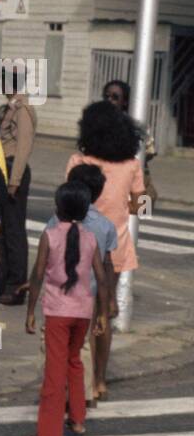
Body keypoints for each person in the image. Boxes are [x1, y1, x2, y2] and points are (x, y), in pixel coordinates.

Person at [66, 101, 145, 401]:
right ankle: (100, 379)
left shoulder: (78, 161)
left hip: (82, 244)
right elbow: (140, 206)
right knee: (104, 315)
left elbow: (68, 201)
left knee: (80, 315)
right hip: (117, 247)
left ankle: (79, 377)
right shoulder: (130, 165)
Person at [23, 183, 108, 436]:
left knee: (54, 371)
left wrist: (30, 310)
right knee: (74, 362)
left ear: (57, 208)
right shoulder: (91, 238)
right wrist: (102, 313)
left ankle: (48, 435)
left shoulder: (50, 235)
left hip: (58, 312)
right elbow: (102, 279)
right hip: (83, 311)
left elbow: (37, 275)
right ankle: (78, 418)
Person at [0, 82, 37, 305]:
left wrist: (14, 180)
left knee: (15, 232)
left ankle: (17, 287)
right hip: (3, 168)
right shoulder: (10, 107)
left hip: (12, 170)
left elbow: (24, 146)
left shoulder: (23, 109)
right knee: (4, 231)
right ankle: (1, 283)